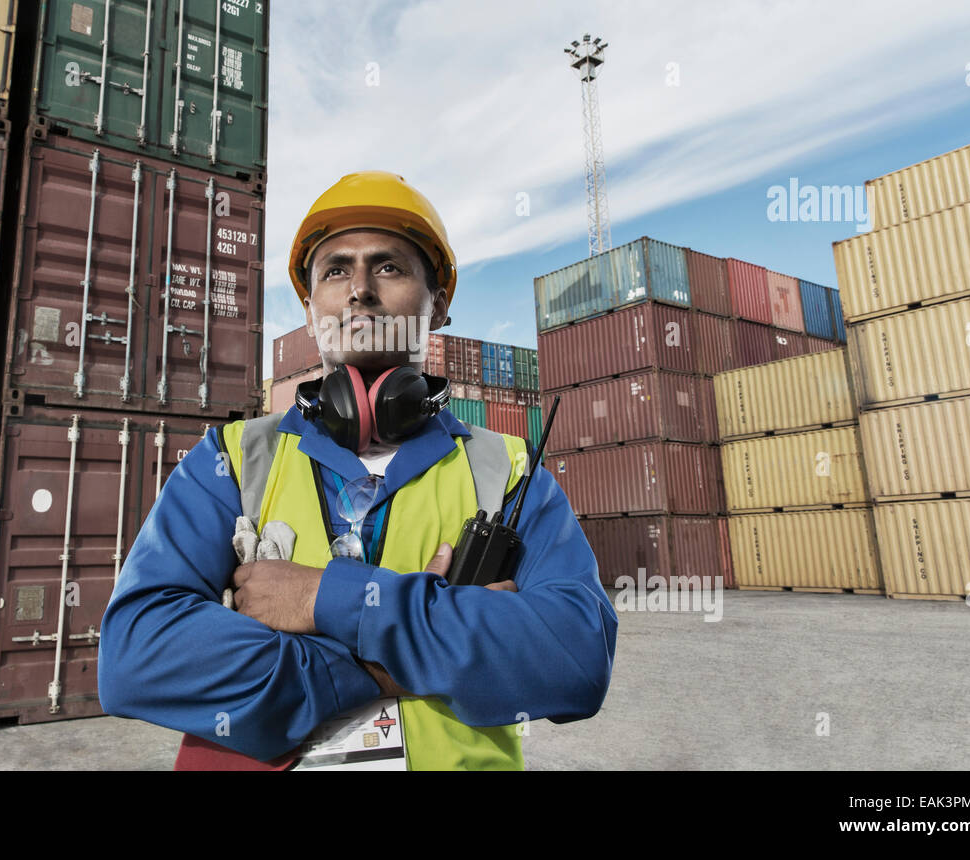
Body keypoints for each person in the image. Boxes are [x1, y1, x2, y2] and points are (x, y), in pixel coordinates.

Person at [98, 170, 617, 770]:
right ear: (310, 305)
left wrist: (321, 598)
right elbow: (135, 656)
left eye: (390, 267)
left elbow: (575, 660)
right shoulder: (233, 460)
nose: (359, 291)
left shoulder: (506, 472)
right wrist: (389, 659)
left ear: (439, 302)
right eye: (336, 269)